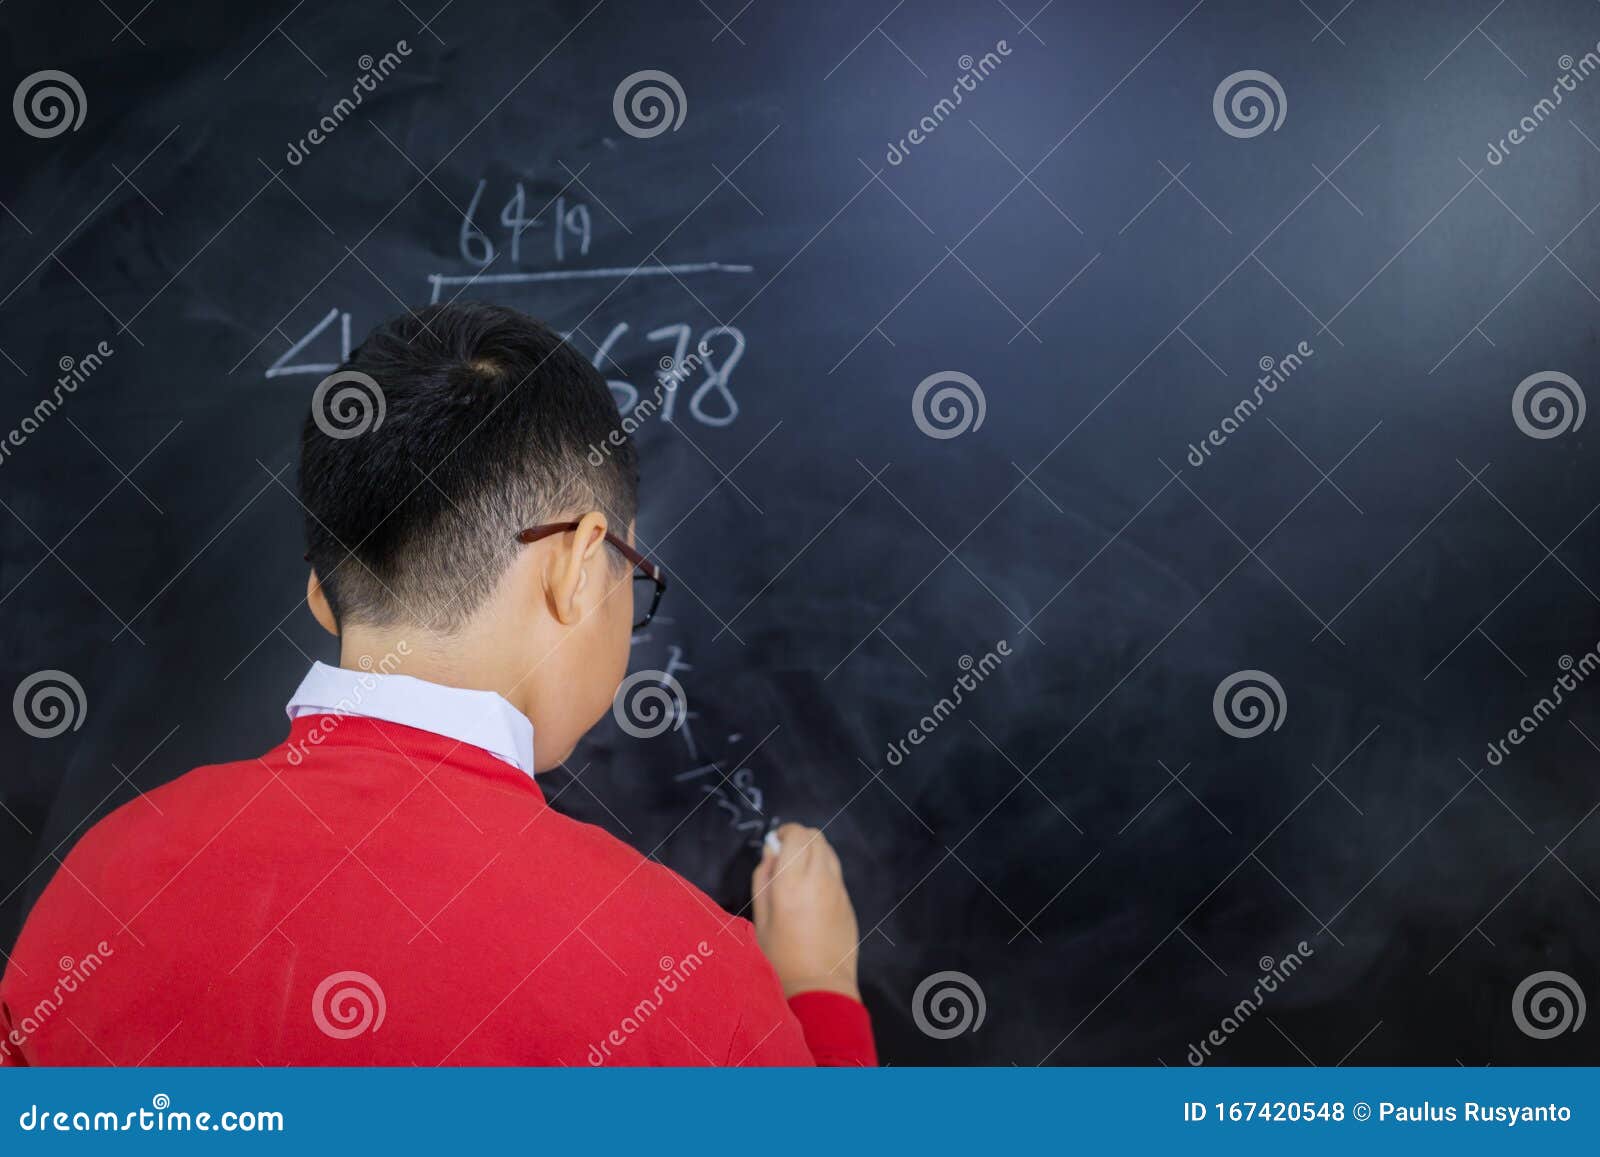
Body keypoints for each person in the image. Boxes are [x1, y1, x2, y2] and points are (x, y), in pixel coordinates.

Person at [0, 303, 874, 1066]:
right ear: (575, 565)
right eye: (627, 570)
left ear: (322, 595)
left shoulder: (105, 882)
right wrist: (820, 997)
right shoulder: (679, 973)